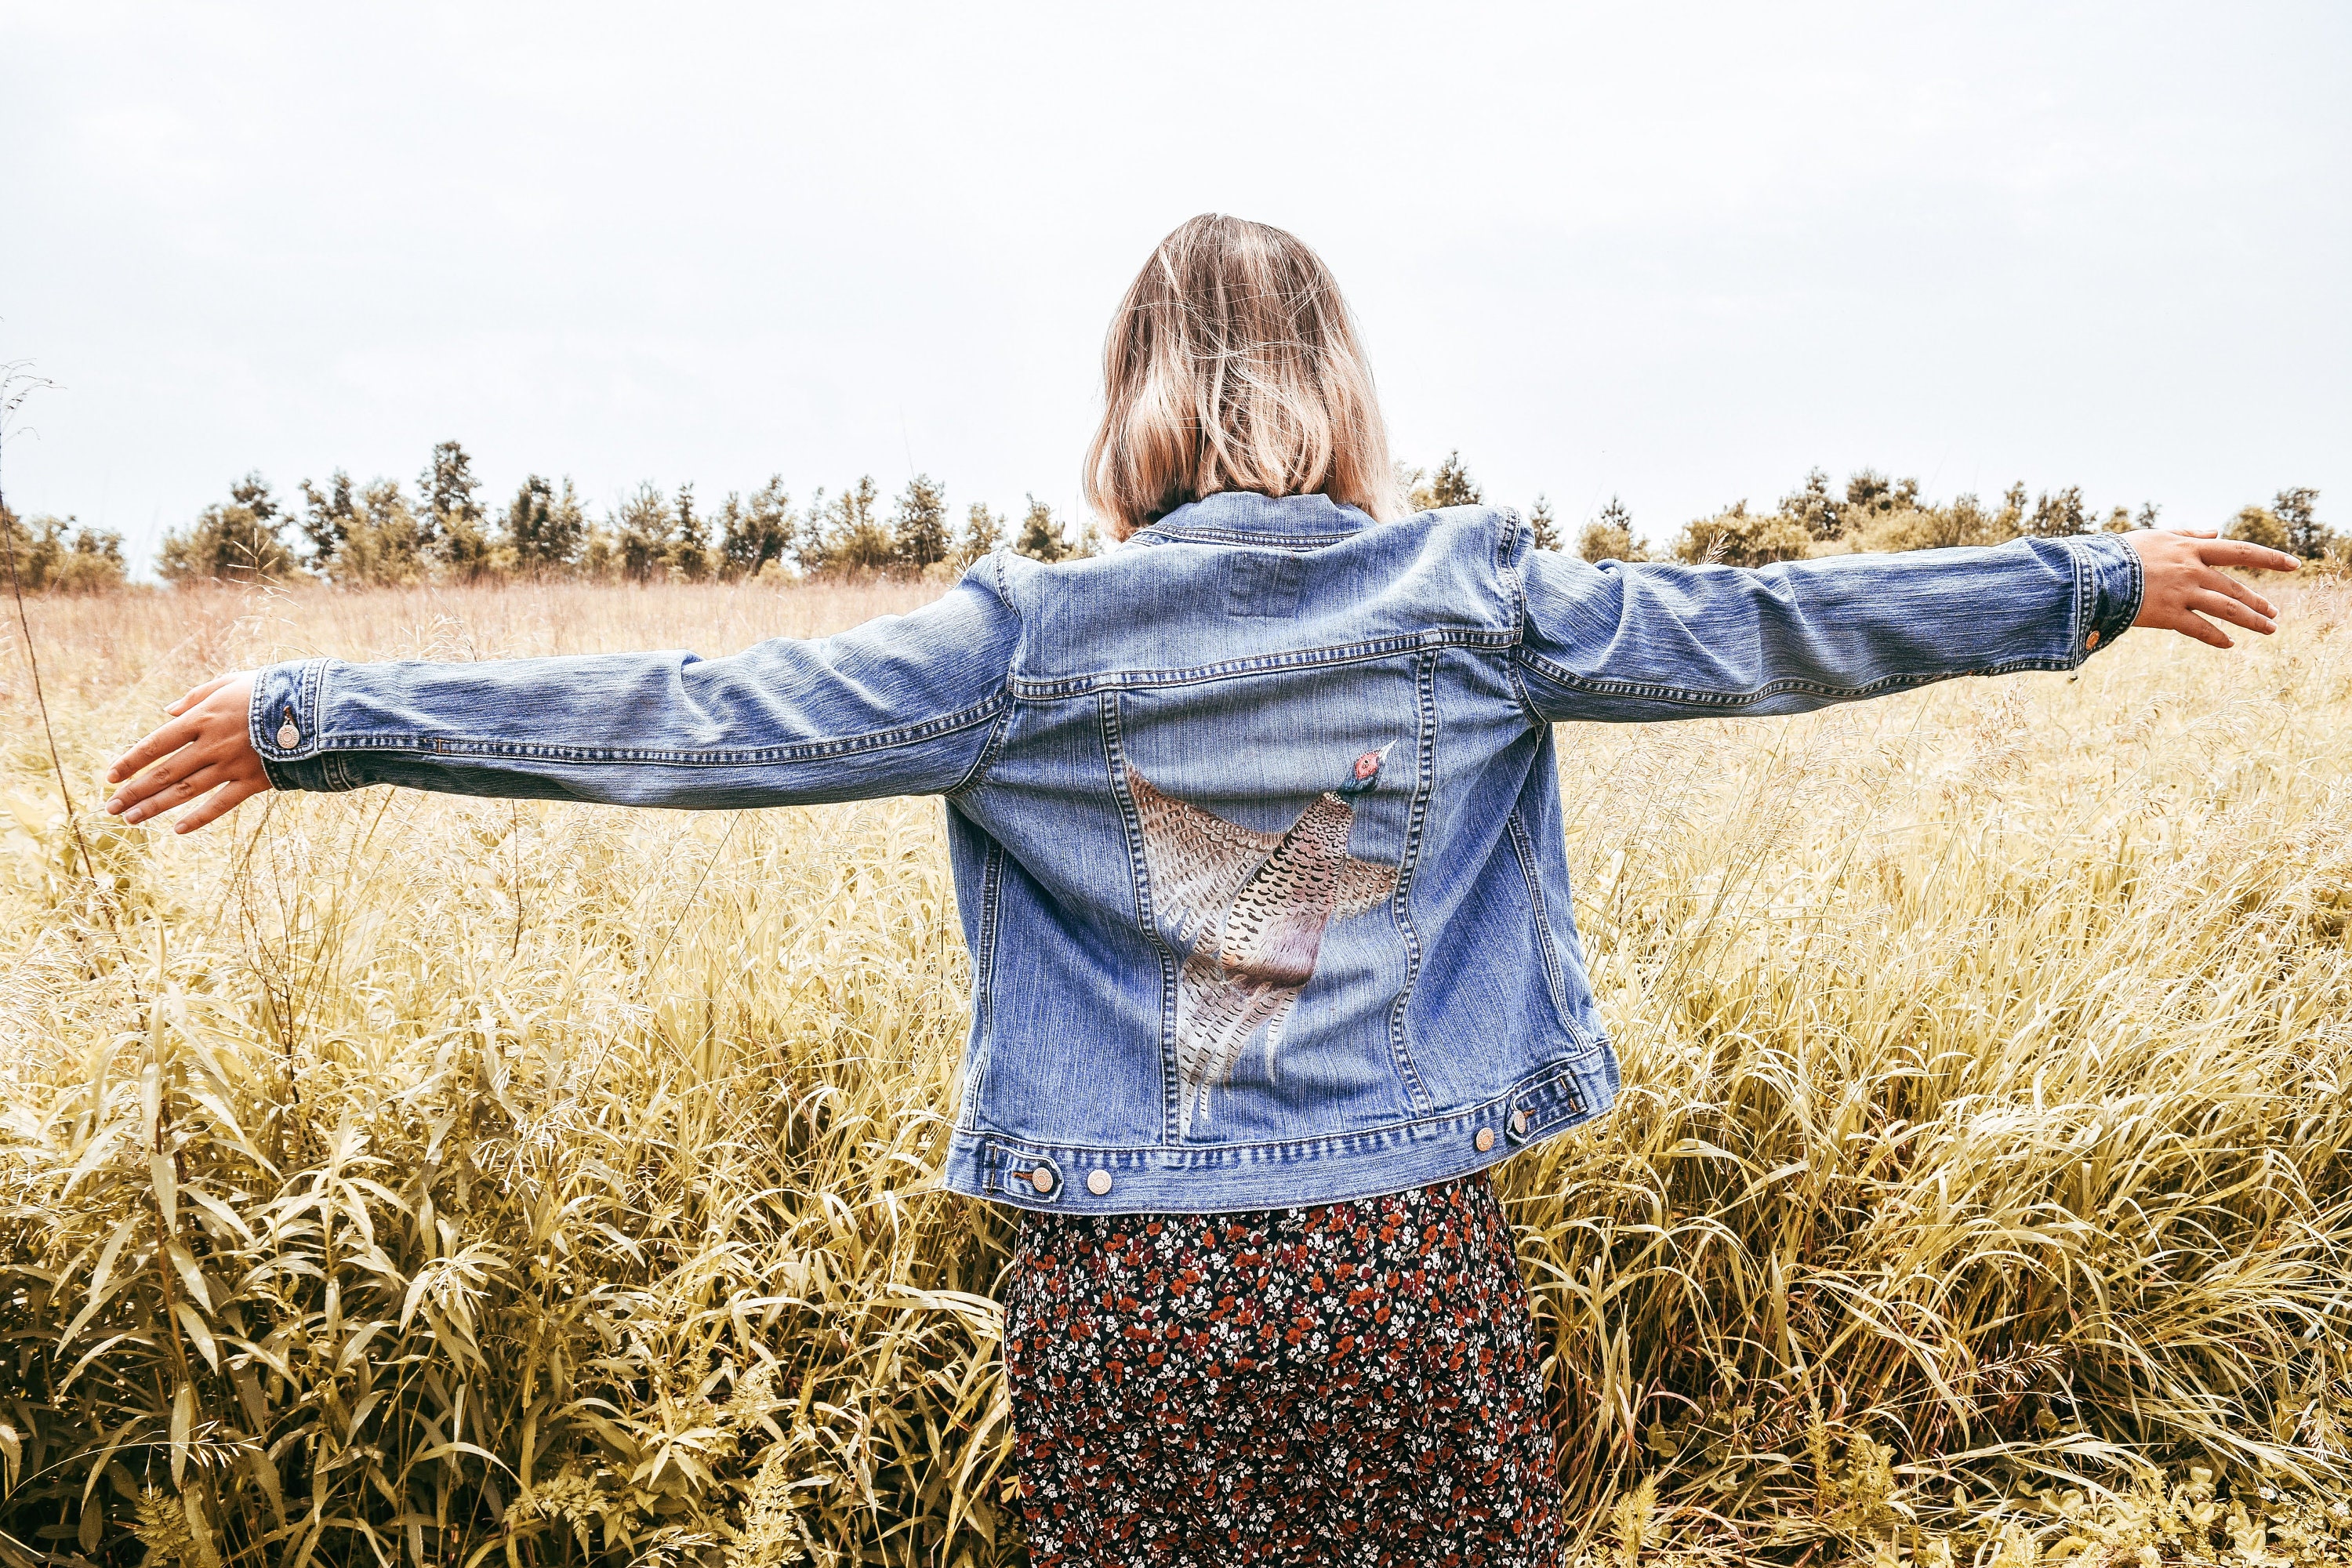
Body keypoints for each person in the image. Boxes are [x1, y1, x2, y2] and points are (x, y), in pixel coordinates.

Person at [106, 214, 2296, 1566]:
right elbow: (1767, 626)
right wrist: (2086, 582)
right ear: (1344, 388)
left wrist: (320, 711)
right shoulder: (1475, 596)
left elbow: (698, 716)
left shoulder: (1018, 643)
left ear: (1128, 404)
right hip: (1395, 1259)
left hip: (1122, 1297)